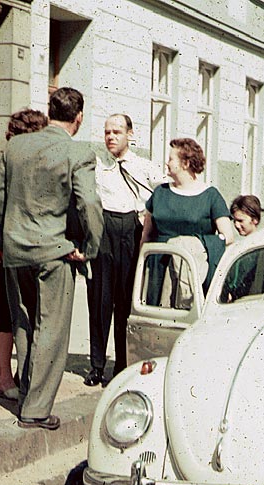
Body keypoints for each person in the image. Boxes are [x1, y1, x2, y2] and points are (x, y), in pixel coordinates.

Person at [0, 87, 104, 431]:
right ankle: (36, 410)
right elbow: (89, 205)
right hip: (55, 250)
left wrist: (0, 241)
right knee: (50, 330)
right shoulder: (78, 152)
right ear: (79, 117)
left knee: (24, 323)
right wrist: (90, 246)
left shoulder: (15, 146)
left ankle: (28, 394)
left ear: (50, 110)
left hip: (15, 250)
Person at [84, 114, 165, 387]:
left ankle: (120, 365)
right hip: (104, 230)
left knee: (124, 301)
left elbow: (164, 189)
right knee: (99, 301)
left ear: (130, 134)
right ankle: (96, 366)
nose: (110, 137)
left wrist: (148, 216)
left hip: (130, 230)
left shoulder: (143, 166)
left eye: (117, 132)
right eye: (107, 132)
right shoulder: (97, 164)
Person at [0, 109, 48, 399]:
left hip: (18, 247)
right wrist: (10, 222)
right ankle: (4, 378)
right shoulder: (10, 159)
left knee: (24, 317)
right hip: (9, 249)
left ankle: (21, 376)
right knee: (10, 317)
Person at [141, 138, 234, 305]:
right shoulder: (160, 193)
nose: (167, 163)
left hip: (194, 272)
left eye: (171, 159)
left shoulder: (211, 195)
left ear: (185, 163)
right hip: (158, 271)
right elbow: (146, 236)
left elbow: (228, 236)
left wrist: (191, 243)